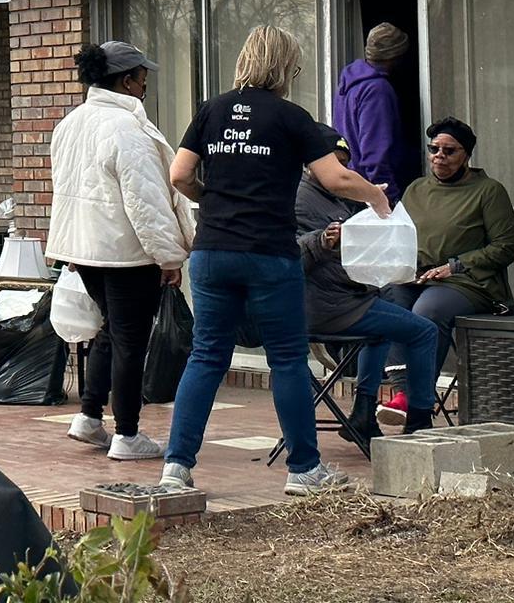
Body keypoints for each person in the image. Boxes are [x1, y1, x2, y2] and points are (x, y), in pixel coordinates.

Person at [159, 25, 391, 497]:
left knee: (206, 356)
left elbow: (179, 174)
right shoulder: (290, 117)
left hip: (212, 252)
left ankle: (176, 468)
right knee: (286, 358)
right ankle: (304, 469)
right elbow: (336, 178)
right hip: (268, 254)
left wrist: (213, 200)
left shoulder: (212, 110)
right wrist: (376, 198)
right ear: (285, 67)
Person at [47, 40, 195, 461]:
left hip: (83, 248)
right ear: (127, 81)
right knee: (131, 341)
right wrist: (169, 256)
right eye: (143, 79)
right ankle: (127, 434)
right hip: (125, 251)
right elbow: (146, 201)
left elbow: (65, 189)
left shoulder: (70, 123)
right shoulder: (127, 129)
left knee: (110, 331)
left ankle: (90, 416)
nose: (145, 87)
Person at [294, 126, 440, 450]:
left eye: (345, 163)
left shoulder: (332, 195)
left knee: (381, 328)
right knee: (425, 331)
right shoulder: (300, 198)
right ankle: (419, 421)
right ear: (312, 163)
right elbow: (288, 256)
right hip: (324, 306)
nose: (341, 170)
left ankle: (363, 413)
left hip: (343, 298)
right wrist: (322, 240)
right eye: (334, 162)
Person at [376, 117, 514, 425]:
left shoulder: (488, 191)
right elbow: (401, 235)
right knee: (388, 304)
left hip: (467, 282)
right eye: (434, 149)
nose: (439, 156)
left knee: (427, 312)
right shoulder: (417, 189)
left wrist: (454, 266)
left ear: (466, 155)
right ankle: (405, 395)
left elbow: (505, 247)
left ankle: (416, 402)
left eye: (449, 151)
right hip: (418, 277)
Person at [333, 23, 415, 203]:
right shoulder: (377, 90)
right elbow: (375, 156)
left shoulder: (349, 85)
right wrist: (389, 199)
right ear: (396, 56)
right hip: (370, 193)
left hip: (352, 187)